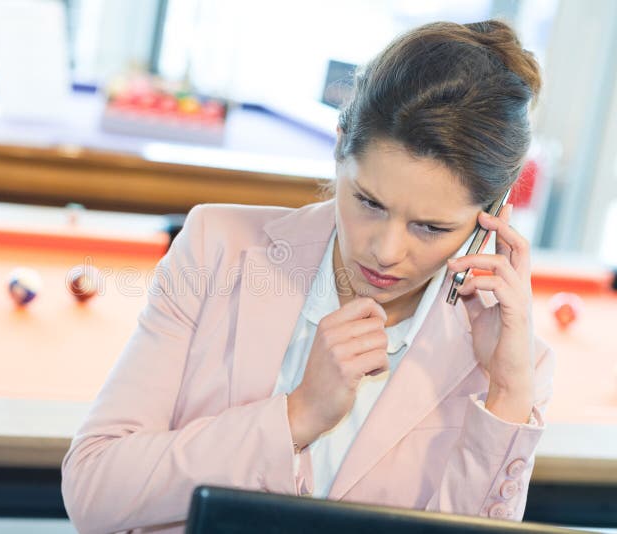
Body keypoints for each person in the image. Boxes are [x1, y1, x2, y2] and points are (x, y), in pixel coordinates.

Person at [61, 19, 554, 534]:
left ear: (493, 212)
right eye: (369, 201)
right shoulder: (215, 247)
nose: (386, 252)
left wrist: (509, 391)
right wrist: (297, 415)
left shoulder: (516, 363)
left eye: (430, 227)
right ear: (340, 146)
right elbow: (95, 492)